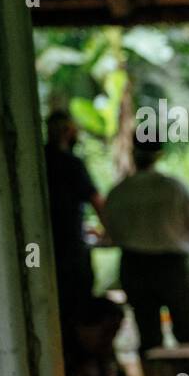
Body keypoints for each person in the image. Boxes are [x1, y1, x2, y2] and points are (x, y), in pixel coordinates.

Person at [103, 140, 189, 359]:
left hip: (135, 265)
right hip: (173, 266)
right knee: (186, 332)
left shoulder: (120, 191)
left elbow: (111, 230)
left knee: (148, 336)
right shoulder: (174, 188)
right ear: (159, 155)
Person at [43, 109, 106, 335]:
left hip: (44, 252)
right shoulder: (71, 164)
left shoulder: (38, 161)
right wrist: (111, 230)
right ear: (67, 132)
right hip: (70, 252)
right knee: (79, 312)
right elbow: (98, 203)